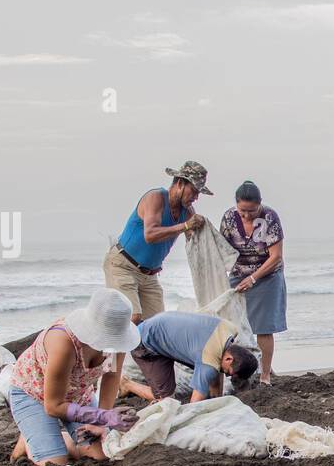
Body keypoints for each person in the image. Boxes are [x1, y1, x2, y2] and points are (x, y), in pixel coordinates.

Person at [7, 289, 140, 466]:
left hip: (77, 396)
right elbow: (53, 406)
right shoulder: (63, 343)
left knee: (102, 454)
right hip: (34, 394)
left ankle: (45, 436)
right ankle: (32, 436)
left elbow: (112, 376)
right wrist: (101, 416)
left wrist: (100, 420)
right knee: (55, 463)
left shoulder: (118, 340)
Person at [105, 161, 212, 325]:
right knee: (132, 316)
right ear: (180, 183)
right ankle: (113, 349)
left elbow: (194, 241)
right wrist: (184, 226)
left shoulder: (187, 211)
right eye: (194, 191)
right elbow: (150, 234)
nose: (196, 198)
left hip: (149, 275)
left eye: (199, 194)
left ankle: (137, 351)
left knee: (157, 324)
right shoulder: (156, 198)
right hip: (123, 265)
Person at [220, 180, 285, 385]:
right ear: (236, 205)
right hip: (239, 272)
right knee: (232, 324)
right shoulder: (229, 218)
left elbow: (275, 256)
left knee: (263, 326)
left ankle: (265, 375)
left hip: (267, 275)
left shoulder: (270, 217)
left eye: (251, 210)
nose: (247, 215)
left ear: (260, 204)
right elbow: (223, 250)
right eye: (242, 210)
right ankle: (239, 368)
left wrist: (254, 278)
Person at [126, 311, 258, 404]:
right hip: (145, 343)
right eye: (229, 372)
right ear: (229, 359)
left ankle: (215, 398)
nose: (228, 376)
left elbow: (216, 367)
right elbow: (193, 405)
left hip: (163, 326)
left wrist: (216, 402)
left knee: (215, 369)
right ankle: (126, 384)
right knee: (167, 401)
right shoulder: (208, 361)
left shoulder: (230, 329)